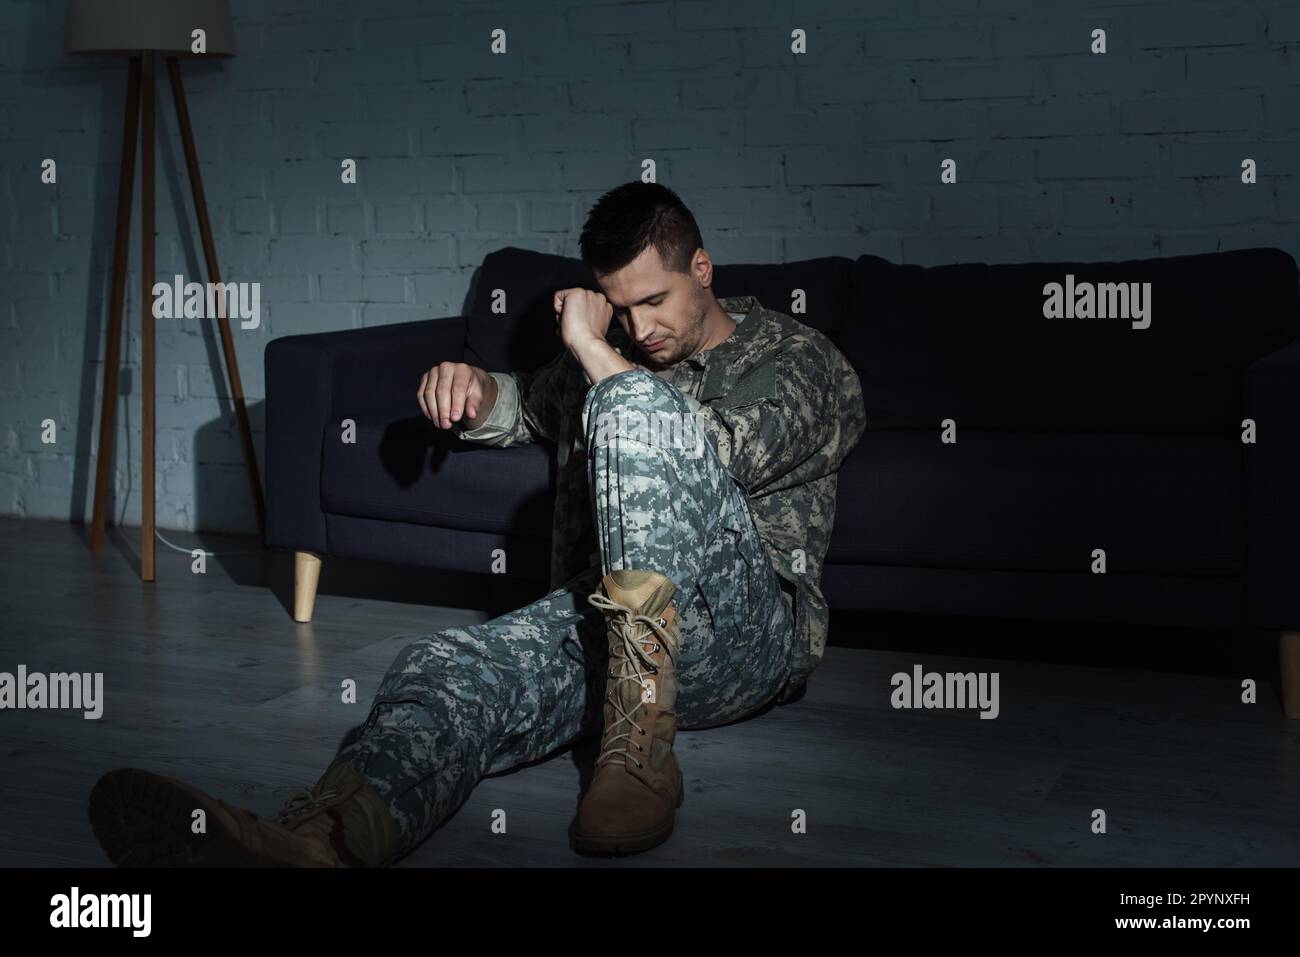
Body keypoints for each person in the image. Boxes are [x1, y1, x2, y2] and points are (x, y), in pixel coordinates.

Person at [87, 181, 867, 867]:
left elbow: (700, 453)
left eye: (655, 301)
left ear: (702, 269)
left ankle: (638, 754)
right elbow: (529, 402)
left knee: (629, 403)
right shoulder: (616, 352)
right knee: (443, 669)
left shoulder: (800, 361)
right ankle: (319, 841)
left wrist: (595, 352)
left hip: (744, 633)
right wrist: (471, 388)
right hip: (606, 618)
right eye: (619, 310)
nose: (639, 328)